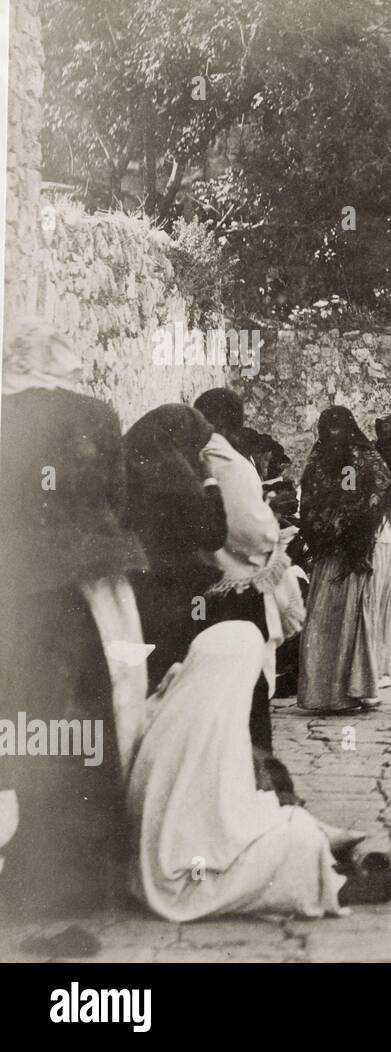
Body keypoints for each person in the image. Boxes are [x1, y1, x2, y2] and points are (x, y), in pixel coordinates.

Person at [0, 320, 149, 915]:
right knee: (93, 716)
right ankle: (89, 872)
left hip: (16, 589)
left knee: (25, 719)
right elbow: (117, 500)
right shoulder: (95, 415)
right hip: (90, 591)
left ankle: (30, 867)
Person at [127, 622, 391, 920]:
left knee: (291, 819)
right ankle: (335, 883)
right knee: (300, 839)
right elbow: (222, 831)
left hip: (164, 858)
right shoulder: (210, 731)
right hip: (182, 877)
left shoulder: (179, 711)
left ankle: (328, 861)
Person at [193, 388, 300, 799]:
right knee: (249, 687)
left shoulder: (200, 453)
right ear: (229, 421)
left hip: (211, 585)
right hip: (238, 586)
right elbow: (250, 530)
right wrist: (274, 529)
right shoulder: (224, 457)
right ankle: (258, 790)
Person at [297, 407, 391, 712]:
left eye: (338, 427)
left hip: (353, 552)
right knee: (327, 619)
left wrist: (353, 526)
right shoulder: (320, 457)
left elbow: (379, 493)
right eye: (328, 428)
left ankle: (353, 689)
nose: (333, 434)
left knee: (349, 620)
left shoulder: (362, 456)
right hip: (331, 552)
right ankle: (325, 693)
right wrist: (332, 526)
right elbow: (312, 500)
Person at [122, 405, 229, 690]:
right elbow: (214, 535)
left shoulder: (122, 470)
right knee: (177, 673)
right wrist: (210, 482)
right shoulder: (181, 481)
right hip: (178, 591)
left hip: (135, 587)